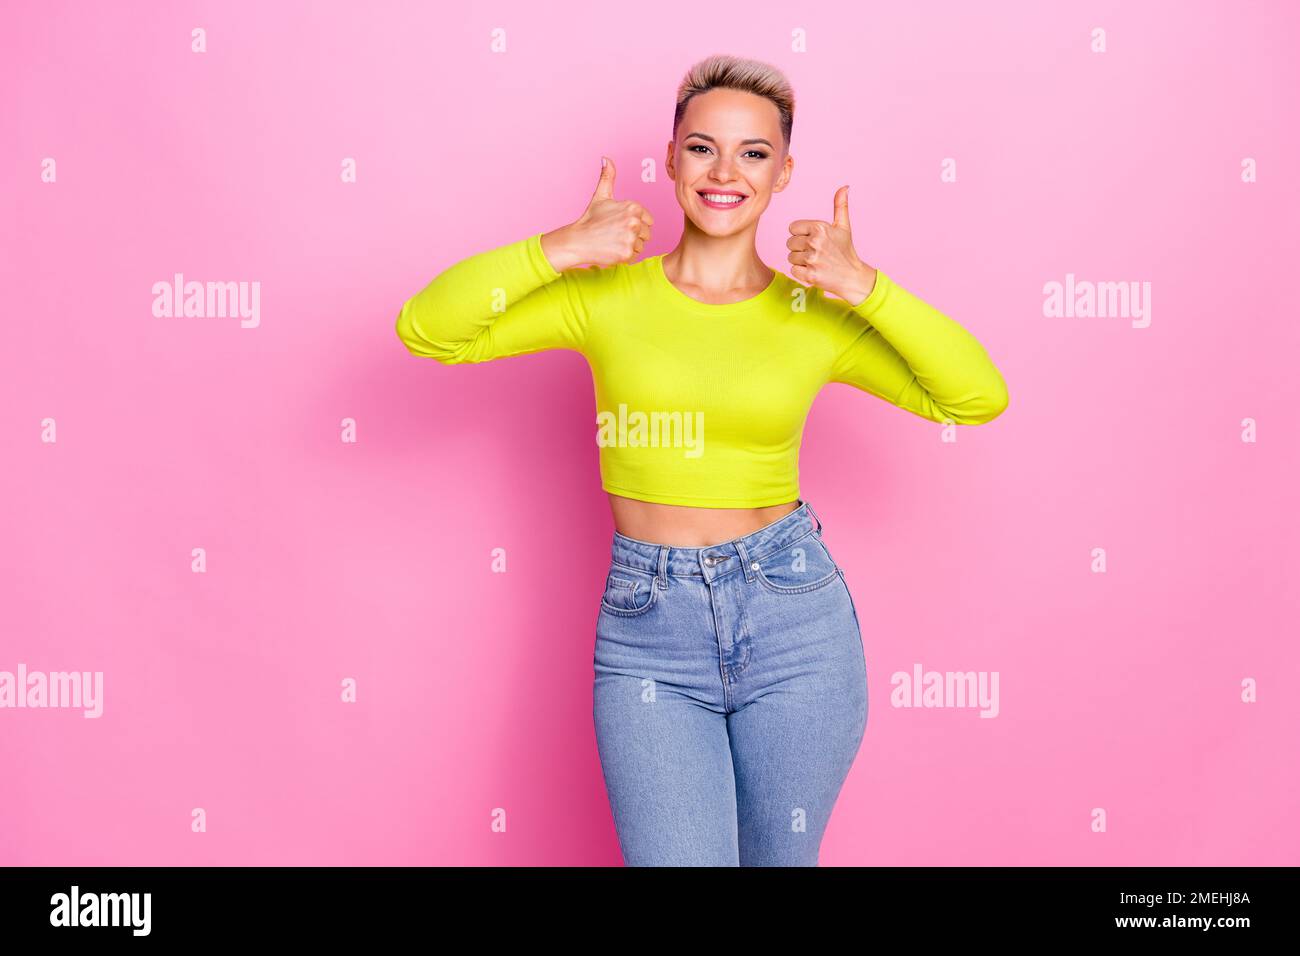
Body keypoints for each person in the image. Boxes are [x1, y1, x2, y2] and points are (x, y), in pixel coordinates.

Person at [395, 54, 1009, 865]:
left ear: (784, 172)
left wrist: (866, 286)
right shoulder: (606, 296)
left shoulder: (812, 314)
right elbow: (429, 329)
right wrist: (560, 248)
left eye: (754, 153)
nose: (726, 172)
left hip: (795, 622)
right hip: (648, 628)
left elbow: (974, 395)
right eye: (702, 148)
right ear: (671, 160)